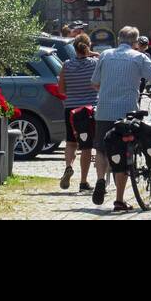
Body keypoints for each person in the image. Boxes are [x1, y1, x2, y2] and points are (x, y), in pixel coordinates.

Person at [89, 26, 151, 211]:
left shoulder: (105, 55)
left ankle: (101, 179)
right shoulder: (139, 57)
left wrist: (108, 90)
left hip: (104, 111)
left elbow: (94, 83)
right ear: (136, 42)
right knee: (125, 153)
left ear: (118, 39)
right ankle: (119, 200)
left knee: (101, 149)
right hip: (127, 113)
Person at [57, 33, 99, 192]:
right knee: (86, 146)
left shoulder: (66, 65)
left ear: (74, 47)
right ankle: (83, 182)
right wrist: (94, 54)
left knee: (70, 143)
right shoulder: (94, 63)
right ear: (89, 46)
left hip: (71, 109)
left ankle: (69, 166)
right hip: (89, 109)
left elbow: (61, 90)